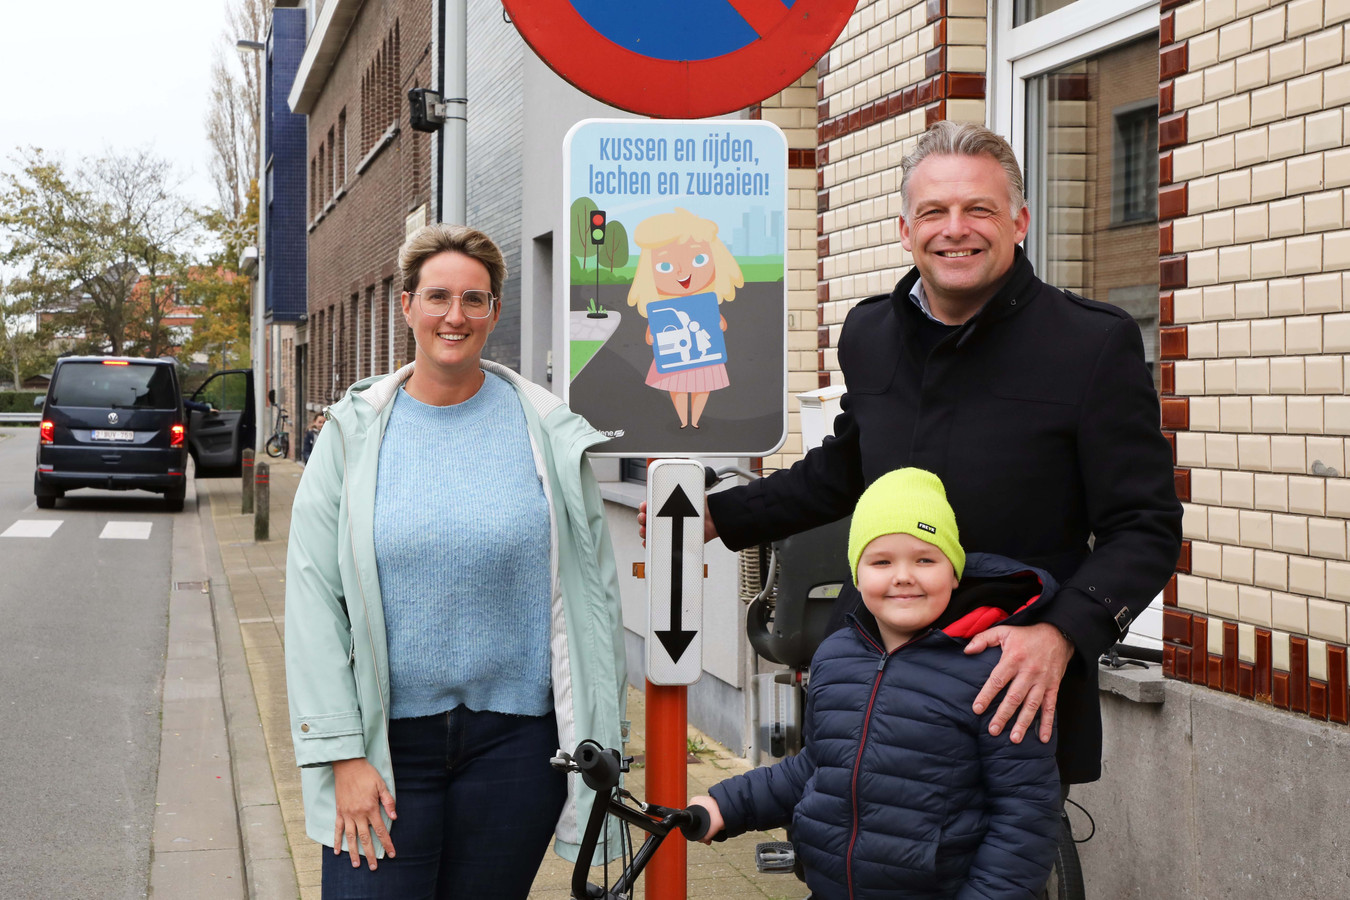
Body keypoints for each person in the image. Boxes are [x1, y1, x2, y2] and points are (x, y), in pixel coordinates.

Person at [641, 121, 1181, 786]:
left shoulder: (1090, 346)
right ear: (906, 230)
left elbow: (1145, 527)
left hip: (1006, 683)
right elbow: (842, 472)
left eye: (978, 208)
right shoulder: (871, 334)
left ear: (1019, 222)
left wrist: (1063, 633)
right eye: (934, 211)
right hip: (873, 670)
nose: (955, 228)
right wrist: (721, 515)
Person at [285, 224, 627, 898]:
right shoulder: (352, 436)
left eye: (474, 300)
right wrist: (343, 755)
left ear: (495, 312)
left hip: (516, 749)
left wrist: (601, 734)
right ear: (406, 305)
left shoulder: (546, 434)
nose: (455, 315)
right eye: (438, 296)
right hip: (385, 746)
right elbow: (313, 601)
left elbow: (596, 599)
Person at [690, 469, 1062, 898]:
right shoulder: (834, 656)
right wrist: (724, 805)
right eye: (881, 561)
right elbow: (815, 766)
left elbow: (1024, 813)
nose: (903, 575)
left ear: (955, 572)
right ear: (857, 575)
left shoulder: (996, 671)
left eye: (925, 559)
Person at [627, 207, 743, 428]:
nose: (682, 273)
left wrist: (718, 323)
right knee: (677, 386)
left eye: (699, 259)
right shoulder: (663, 308)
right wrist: (652, 332)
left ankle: (696, 420)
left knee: (703, 386)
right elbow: (652, 334)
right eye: (665, 266)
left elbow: (721, 324)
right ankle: (683, 420)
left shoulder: (706, 303)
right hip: (676, 356)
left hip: (703, 353)